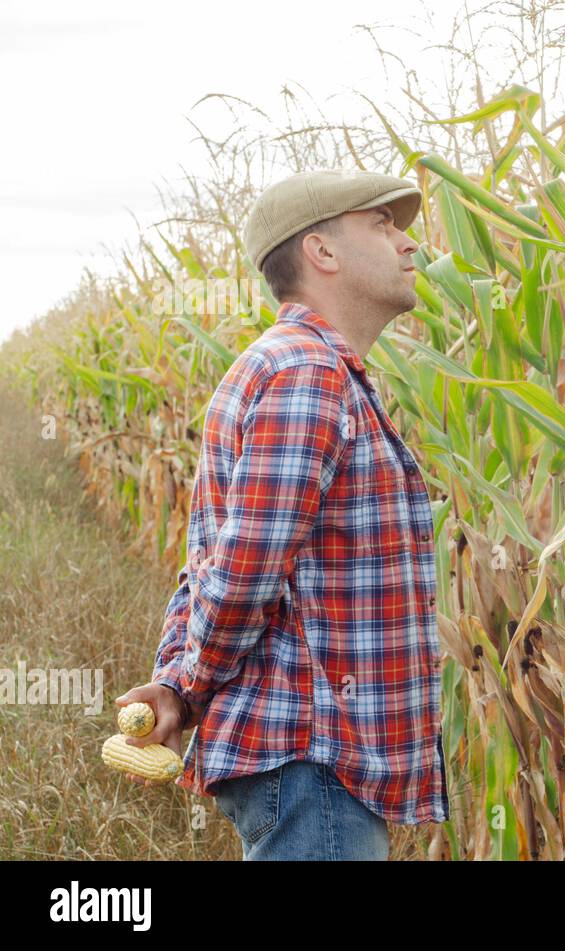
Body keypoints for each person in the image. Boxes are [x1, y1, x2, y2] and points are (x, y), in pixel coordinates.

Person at [114, 169, 450, 860]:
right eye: (382, 225)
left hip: (309, 764)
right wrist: (186, 683)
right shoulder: (307, 372)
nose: (408, 242)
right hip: (314, 757)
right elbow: (244, 569)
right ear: (322, 252)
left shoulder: (290, 366)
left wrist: (179, 678)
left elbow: (206, 562)